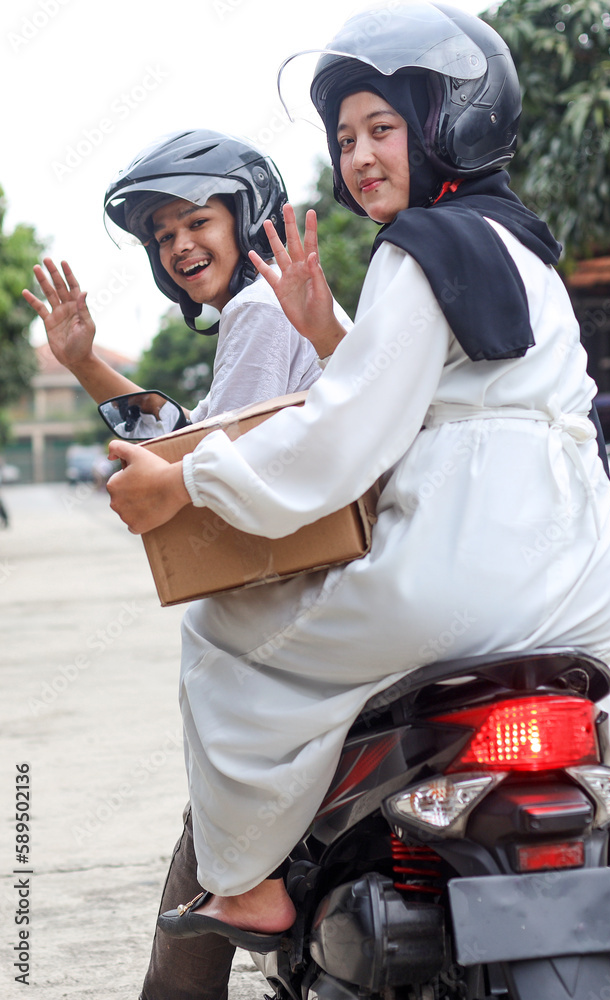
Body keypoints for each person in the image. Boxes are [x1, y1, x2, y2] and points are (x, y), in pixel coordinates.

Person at [101, 6, 610, 990]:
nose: (359, 155)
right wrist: (333, 337)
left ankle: (247, 882)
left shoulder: (418, 246)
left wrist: (183, 480)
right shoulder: (520, 247)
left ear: (447, 122)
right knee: (600, 714)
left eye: (382, 127)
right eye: (346, 136)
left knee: (225, 640)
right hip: (578, 587)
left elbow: (336, 446)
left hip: (453, 585)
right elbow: (445, 398)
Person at [22, 129, 350, 1000]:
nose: (178, 246)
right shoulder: (272, 310)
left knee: (213, 807)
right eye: (163, 236)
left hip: (305, 599)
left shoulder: (256, 311)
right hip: (360, 586)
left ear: (244, 221)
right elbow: (190, 437)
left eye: (195, 222)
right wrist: (84, 360)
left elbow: (201, 471)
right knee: (213, 825)